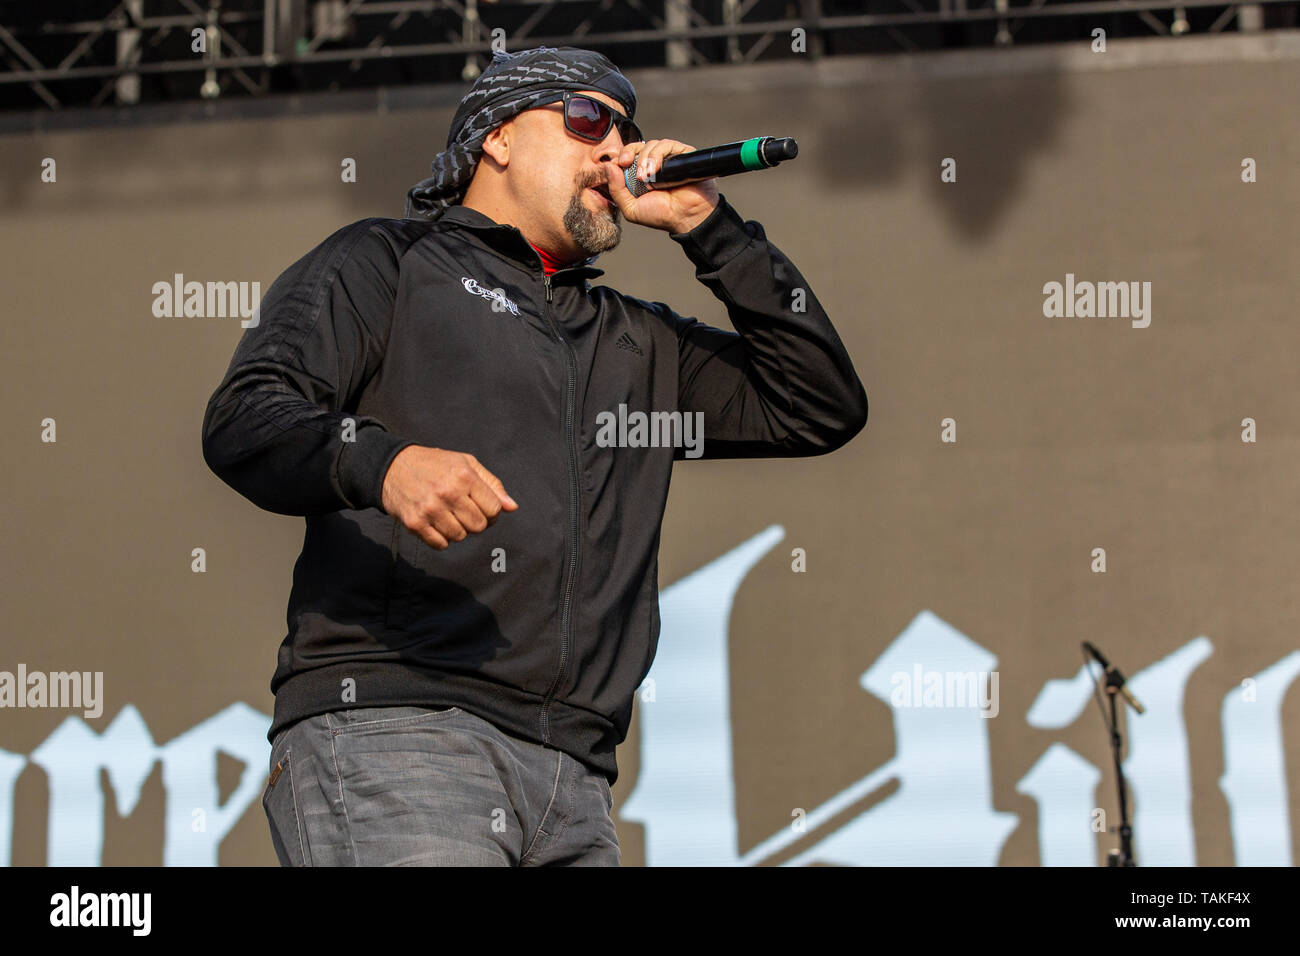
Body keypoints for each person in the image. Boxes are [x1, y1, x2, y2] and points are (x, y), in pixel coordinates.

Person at [201, 45, 868, 867]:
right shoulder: (388, 263)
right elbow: (246, 414)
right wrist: (384, 463)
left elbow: (820, 405)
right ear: (499, 138)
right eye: (588, 119)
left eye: (628, 131)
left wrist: (711, 229)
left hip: (576, 779)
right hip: (400, 733)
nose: (616, 150)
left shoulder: (636, 340)